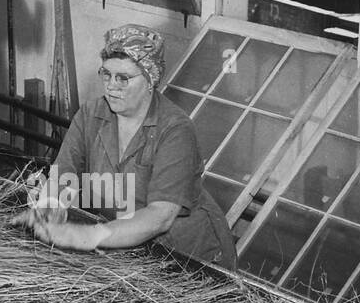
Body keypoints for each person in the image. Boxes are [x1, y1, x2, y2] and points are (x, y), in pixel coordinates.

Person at [13, 24, 236, 270]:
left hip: (186, 256)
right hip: (128, 246)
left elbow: (160, 216)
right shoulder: (91, 115)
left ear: (151, 80)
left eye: (123, 78)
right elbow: (63, 175)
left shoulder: (175, 129)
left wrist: (87, 236)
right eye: (106, 74)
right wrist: (48, 210)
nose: (111, 85)